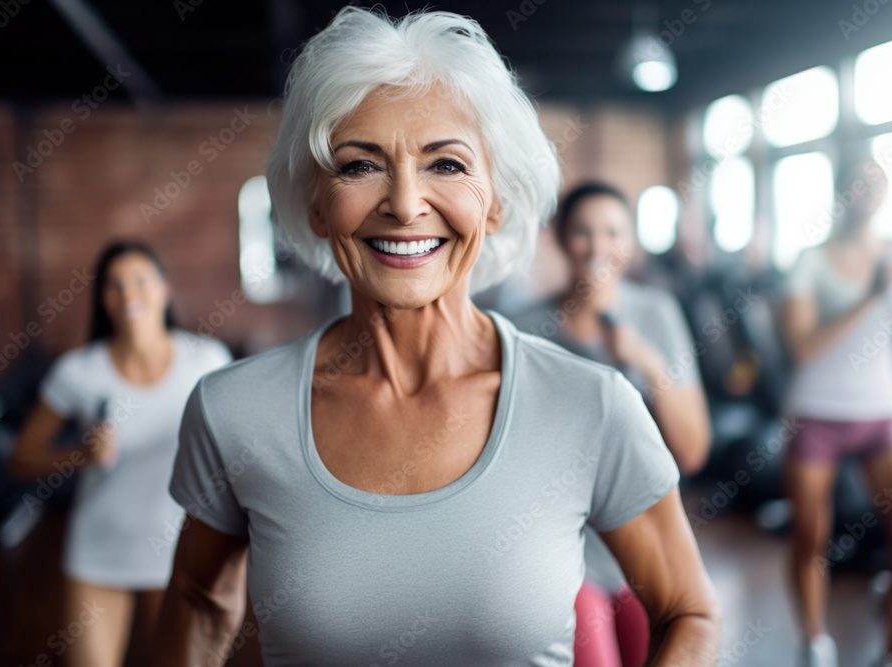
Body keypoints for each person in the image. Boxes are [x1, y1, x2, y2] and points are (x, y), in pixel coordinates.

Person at [156, 8, 721, 666]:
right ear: (316, 201)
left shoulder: (590, 404)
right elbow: (198, 599)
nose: (404, 202)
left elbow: (690, 612)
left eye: (446, 165)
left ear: (496, 197)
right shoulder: (233, 410)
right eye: (360, 165)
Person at [508, 182, 712, 667]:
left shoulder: (657, 314)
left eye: (613, 232)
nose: (598, 247)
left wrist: (644, 360)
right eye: (583, 231)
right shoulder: (523, 328)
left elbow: (693, 450)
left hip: (648, 542)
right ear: (560, 238)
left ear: (631, 242)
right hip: (565, 550)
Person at [9, 241, 233, 667]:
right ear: (102, 299)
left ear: (165, 290)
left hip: (179, 554)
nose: (128, 294)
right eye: (114, 286)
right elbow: (20, 458)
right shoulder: (78, 371)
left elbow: (234, 446)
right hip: (99, 552)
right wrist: (79, 454)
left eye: (140, 281)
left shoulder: (206, 361)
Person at [781, 157, 892, 667]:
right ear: (841, 192)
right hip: (816, 415)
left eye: (875, 182)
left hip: (884, 417)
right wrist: (871, 296)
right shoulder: (811, 260)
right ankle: (815, 642)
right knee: (810, 537)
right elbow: (801, 347)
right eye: (856, 183)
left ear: (884, 192)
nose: (866, 191)